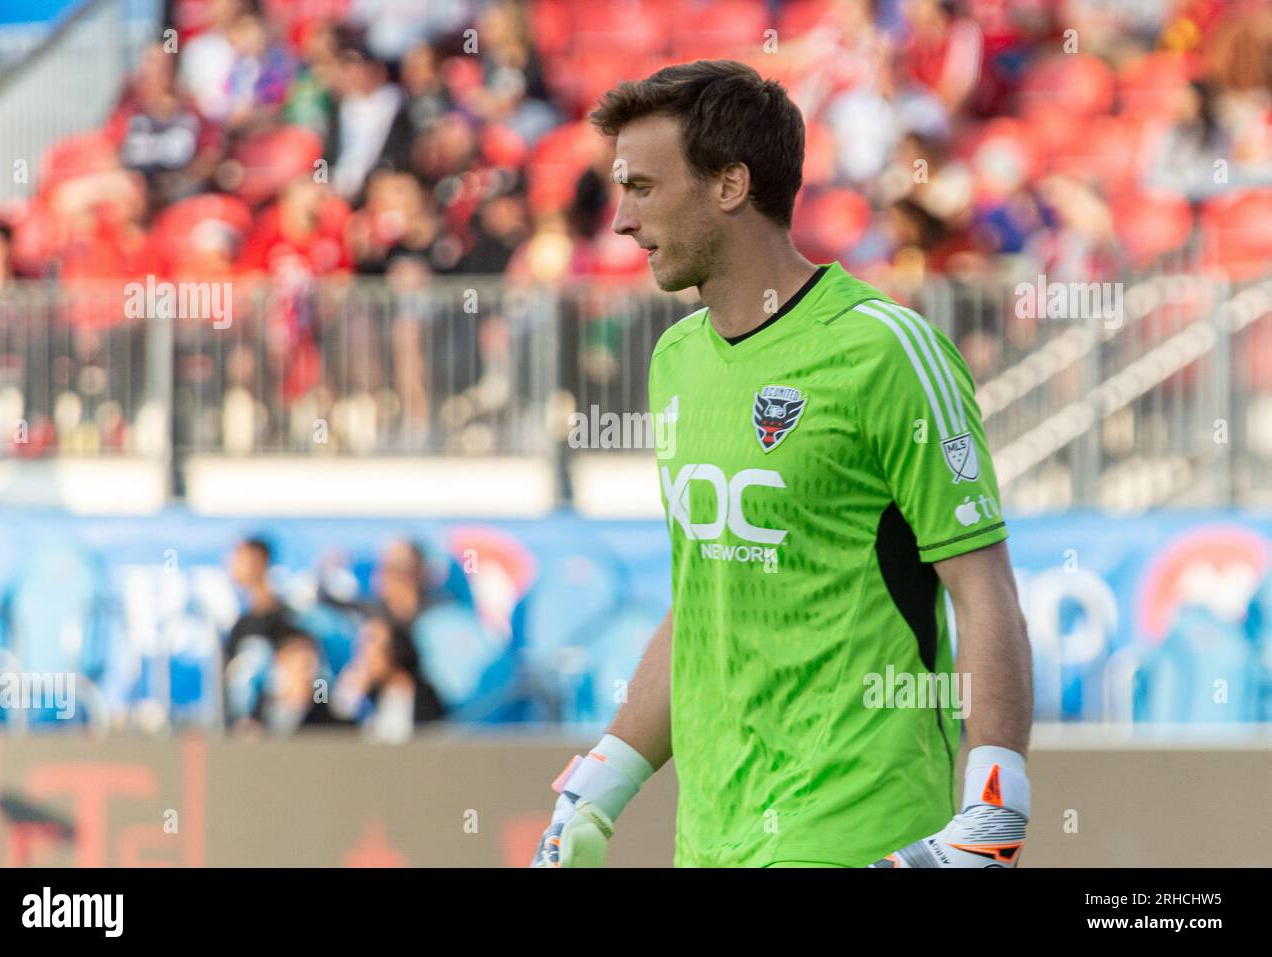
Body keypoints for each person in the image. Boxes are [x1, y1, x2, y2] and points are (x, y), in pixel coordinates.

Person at [530, 61, 1033, 869]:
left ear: (730, 185)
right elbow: (702, 597)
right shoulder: (675, 360)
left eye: (645, 188)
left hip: (865, 834)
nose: (621, 219)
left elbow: (984, 589)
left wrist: (995, 815)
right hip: (711, 840)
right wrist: (598, 785)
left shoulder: (887, 350)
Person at [332, 614, 445, 743]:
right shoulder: (367, 697)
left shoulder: (425, 696)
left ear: (395, 648)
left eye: (370, 642)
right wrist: (349, 696)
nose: (362, 655)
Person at [224, 537, 295, 662]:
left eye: (239, 558)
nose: (232, 566)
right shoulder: (243, 622)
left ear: (258, 560)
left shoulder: (289, 619)